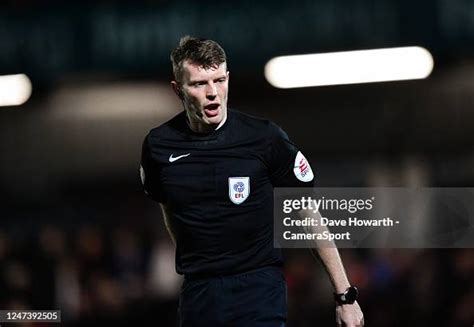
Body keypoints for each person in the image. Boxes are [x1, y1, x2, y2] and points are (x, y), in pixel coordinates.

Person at [140, 35, 364, 327]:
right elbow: (169, 207)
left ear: (228, 78)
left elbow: (308, 215)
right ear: (177, 89)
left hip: (258, 289)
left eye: (220, 80)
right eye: (199, 84)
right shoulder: (158, 147)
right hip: (199, 293)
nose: (213, 93)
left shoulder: (265, 138)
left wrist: (344, 295)